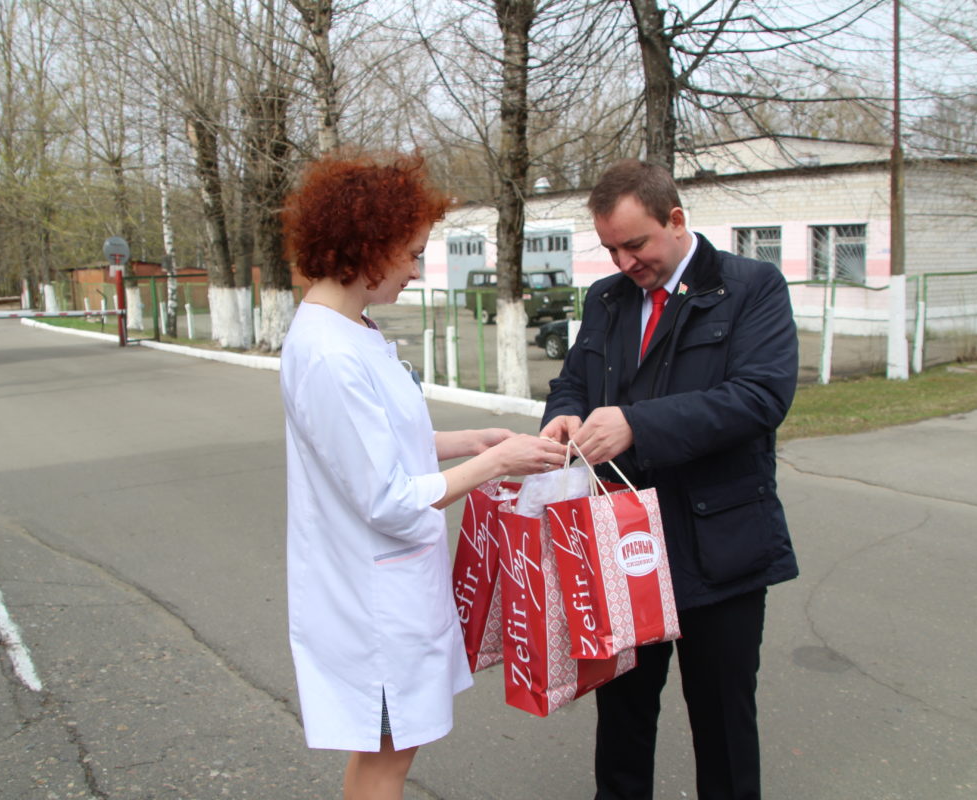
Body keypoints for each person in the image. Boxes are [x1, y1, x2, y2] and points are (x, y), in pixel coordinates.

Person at [280, 151, 568, 800]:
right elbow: (384, 496)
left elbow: (378, 446)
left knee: (388, 751)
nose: (417, 270)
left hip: (388, 586)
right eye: (410, 254)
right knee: (386, 760)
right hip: (372, 600)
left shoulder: (350, 330)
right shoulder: (329, 353)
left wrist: (472, 440)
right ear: (367, 247)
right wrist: (495, 464)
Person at [540, 159, 799, 800]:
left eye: (636, 244)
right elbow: (573, 379)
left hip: (719, 543)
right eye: (610, 248)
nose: (625, 261)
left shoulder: (751, 287)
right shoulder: (606, 299)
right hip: (622, 545)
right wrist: (563, 415)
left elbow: (759, 397)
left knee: (722, 723)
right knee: (623, 715)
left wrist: (636, 425)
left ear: (676, 220)